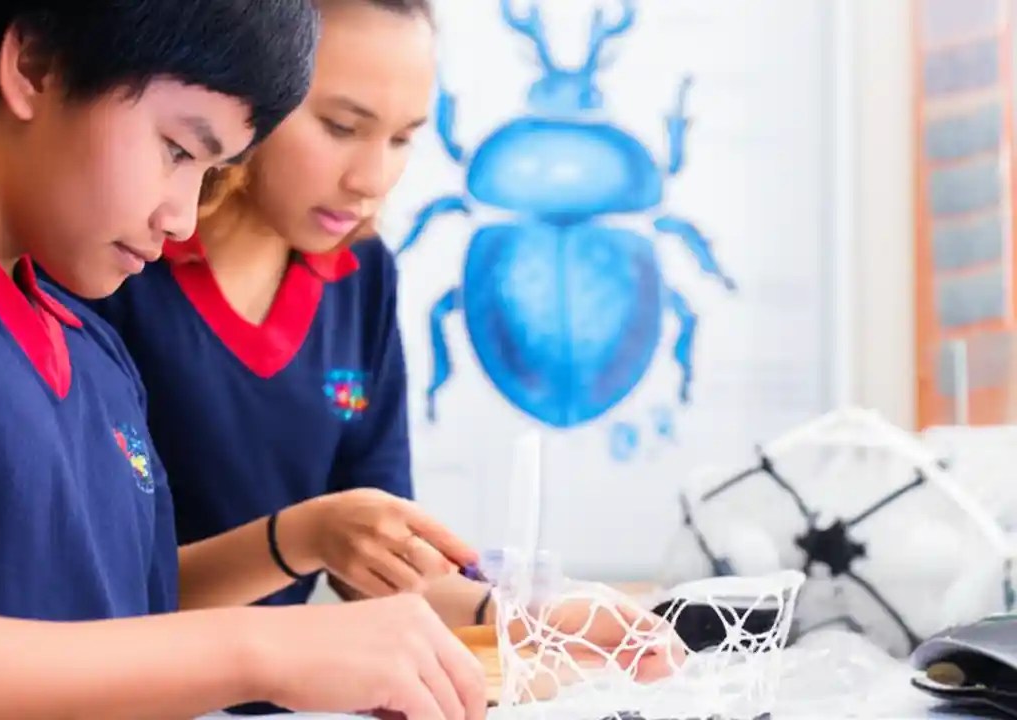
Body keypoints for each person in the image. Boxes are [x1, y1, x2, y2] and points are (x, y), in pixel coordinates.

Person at [0, 3, 488, 719]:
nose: (182, 216)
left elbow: (129, 623)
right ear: (34, 65)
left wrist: (295, 545)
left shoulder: (90, 349)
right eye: (178, 150)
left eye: (211, 171)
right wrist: (262, 647)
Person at [91, 0, 682, 705]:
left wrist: (530, 619)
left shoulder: (361, 275)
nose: (372, 178)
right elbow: (103, 595)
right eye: (341, 127)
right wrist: (303, 537)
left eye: (403, 139)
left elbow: (376, 562)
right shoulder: (115, 267)